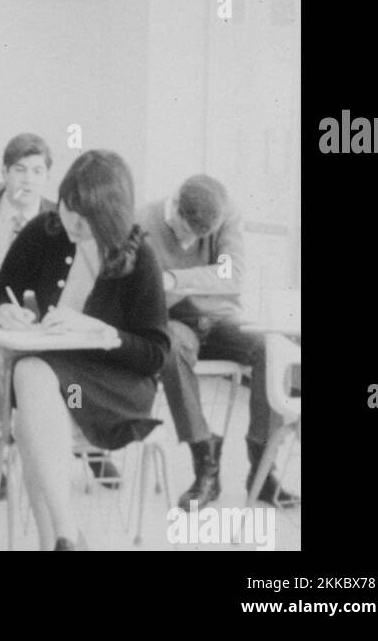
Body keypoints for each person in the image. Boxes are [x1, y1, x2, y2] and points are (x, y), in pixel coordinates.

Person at [0, 149, 170, 550]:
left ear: (112, 216)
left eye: (89, 216)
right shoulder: (45, 234)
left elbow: (155, 354)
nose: (74, 222)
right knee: (30, 378)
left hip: (114, 389)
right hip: (66, 390)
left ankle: (58, 541)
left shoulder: (140, 257)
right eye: (68, 207)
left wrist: (100, 330)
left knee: (31, 414)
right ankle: (65, 536)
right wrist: (5, 308)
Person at [0, 133, 118, 497]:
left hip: (45, 326)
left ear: (48, 176)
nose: (28, 179)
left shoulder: (61, 219)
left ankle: (86, 440)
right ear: (4, 171)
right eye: (19, 170)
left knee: (77, 369)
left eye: (37, 170)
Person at [138, 175, 298, 509]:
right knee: (170, 349)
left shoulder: (227, 214)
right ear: (176, 209)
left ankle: (262, 468)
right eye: (188, 232)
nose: (194, 241)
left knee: (270, 346)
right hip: (177, 322)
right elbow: (143, 292)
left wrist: (172, 279)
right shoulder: (144, 221)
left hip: (223, 319)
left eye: (203, 236)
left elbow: (231, 275)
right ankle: (205, 465)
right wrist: (195, 282)